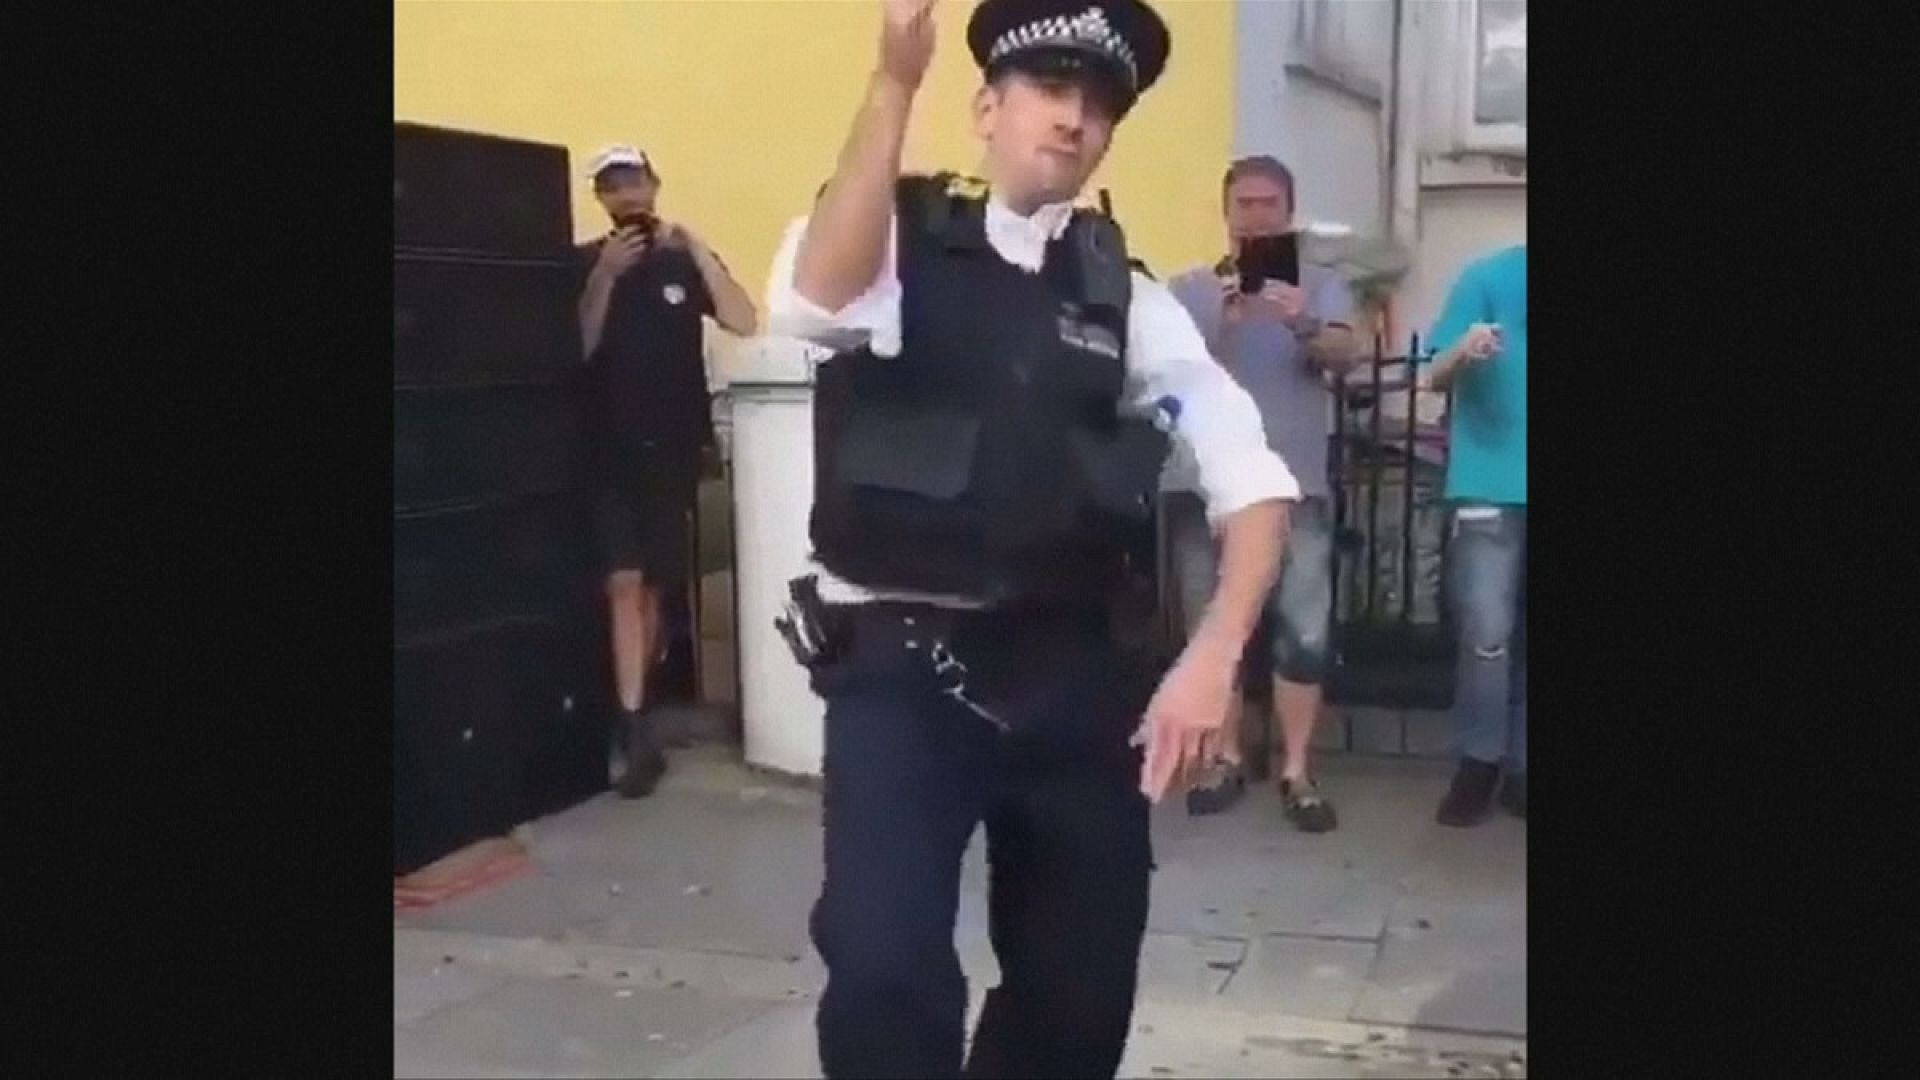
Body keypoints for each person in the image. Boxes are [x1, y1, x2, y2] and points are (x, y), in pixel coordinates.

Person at [764, 1, 1298, 1075]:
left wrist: (1212, 656)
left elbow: (1254, 480)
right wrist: (890, 85)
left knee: (1079, 989)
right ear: (986, 109)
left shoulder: (1127, 299)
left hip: (1073, 676)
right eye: (1052, 92)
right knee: (883, 972)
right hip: (904, 671)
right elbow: (812, 305)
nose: (1075, 121)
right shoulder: (887, 241)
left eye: (1099, 107)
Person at [1161, 155, 1359, 826]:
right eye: (1243, 203)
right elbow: (1162, 376)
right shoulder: (1189, 289)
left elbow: (1343, 357)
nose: (1255, 215)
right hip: (1204, 489)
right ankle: (1224, 758)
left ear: (1288, 212)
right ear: (1226, 212)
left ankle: (1298, 771)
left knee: (1302, 634)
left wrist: (1301, 320)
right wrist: (1219, 322)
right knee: (1214, 628)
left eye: (1268, 203)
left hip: (1294, 487)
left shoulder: (1324, 287)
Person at [575, 144, 758, 799]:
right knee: (622, 584)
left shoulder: (684, 261)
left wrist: (702, 249)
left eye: (633, 182)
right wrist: (603, 277)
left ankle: (638, 712)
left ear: (654, 185)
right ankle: (629, 726)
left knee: (652, 588)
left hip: (675, 448)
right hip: (607, 448)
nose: (626, 197)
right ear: (600, 199)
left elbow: (743, 318)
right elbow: (577, 347)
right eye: (611, 188)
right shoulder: (587, 264)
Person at [1419, 243, 1526, 826]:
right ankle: (1479, 763)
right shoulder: (1486, 276)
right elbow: (1431, 375)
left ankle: (1521, 767)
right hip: (1489, 480)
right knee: (1488, 633)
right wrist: (1463, 350)